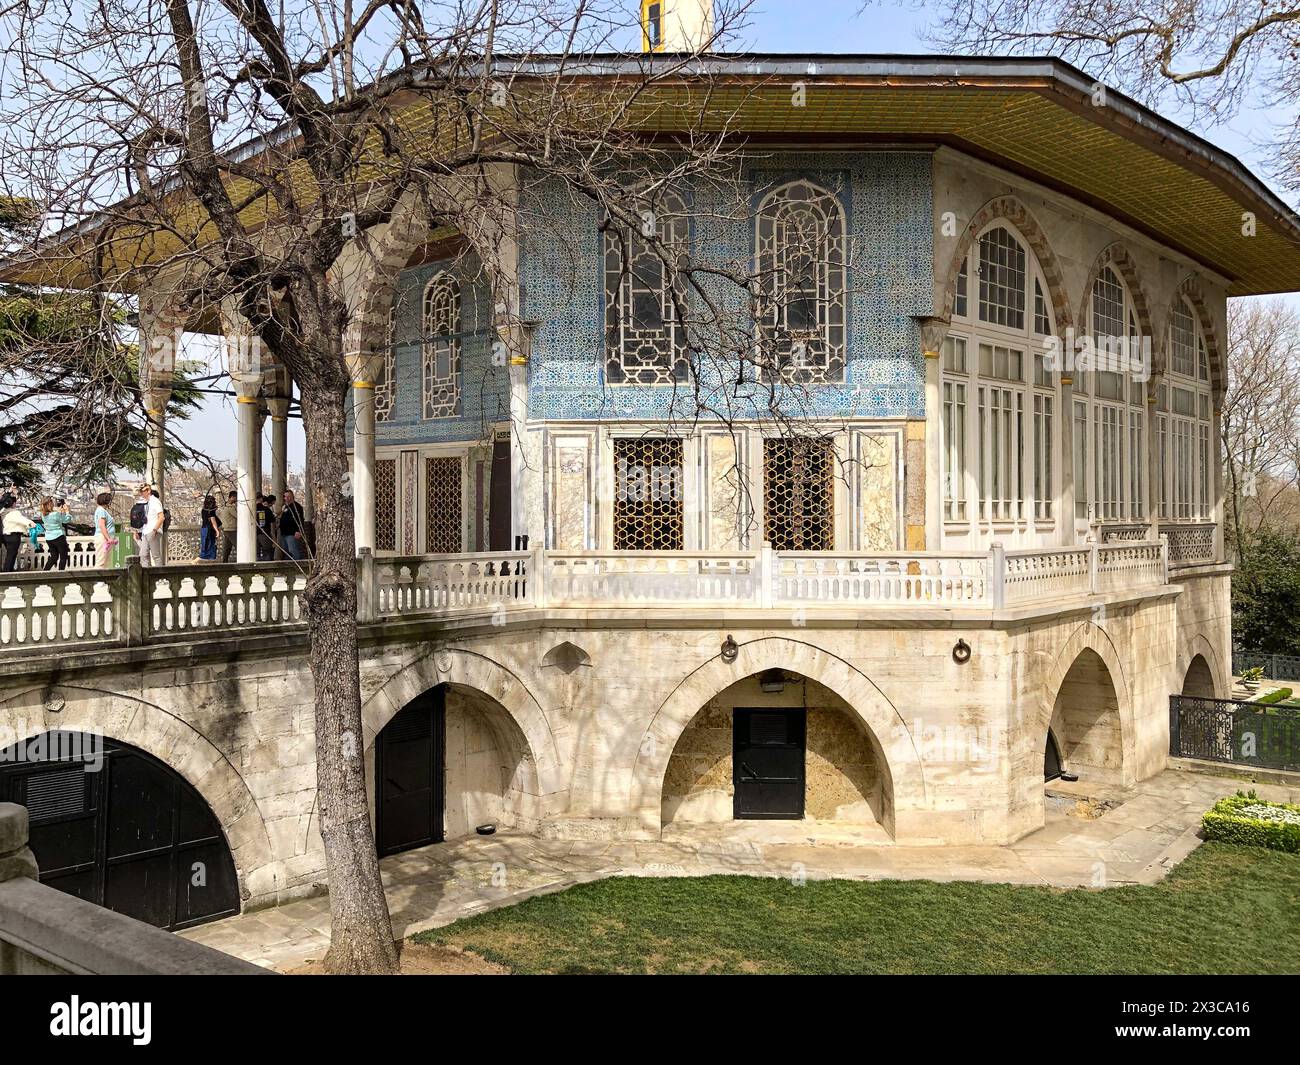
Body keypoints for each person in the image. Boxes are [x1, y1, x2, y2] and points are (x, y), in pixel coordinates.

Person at [132, 481, 165, 568]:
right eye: (140, 491)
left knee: (155, 555)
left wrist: (155, 529)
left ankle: (160, 577)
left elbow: (161, 517)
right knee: (143, 555)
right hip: (145, 531)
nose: (141, 493)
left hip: (152, 530)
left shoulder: (155, 501)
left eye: (143, 491)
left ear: (148, 490)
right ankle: (147, 575)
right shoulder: (146, 503)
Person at [0, 493, 34, 572]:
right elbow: (22, 520)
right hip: (13, 536)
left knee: (10, 554)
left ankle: (8, 571)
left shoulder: (3, 513)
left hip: (5, 536)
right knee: (11, 555)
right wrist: (31, 523)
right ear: (14, 503)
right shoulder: (14, 513)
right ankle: (7, 572)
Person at [39, 497, 72, 571]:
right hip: (58, 536)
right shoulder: (55, 514)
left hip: (49, 538)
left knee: (54, 557)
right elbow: (66, 520)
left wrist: (59, 511)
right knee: (63, 556)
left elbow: (52, 513)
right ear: (50, 504)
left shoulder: (43, 514)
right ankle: (60, 574)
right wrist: (67, 512)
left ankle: (45, 572)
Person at [279, 489, 307, 560]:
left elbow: (300, 519)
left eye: (288, 496)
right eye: (285, 497)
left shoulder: (297, 507)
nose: (286, 498)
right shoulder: (285, 507)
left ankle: (298, 566)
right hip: (284, 533)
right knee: (286, 552)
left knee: (293, 551)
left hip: (292, 533)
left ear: (292, 496)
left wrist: (298, 531)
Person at [93, 491, 118, 568]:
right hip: (103, 539)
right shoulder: (101, 511)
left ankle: (104, 579)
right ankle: (98, 579)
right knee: (101, 561)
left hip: (106, 538)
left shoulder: (103, 511)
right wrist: (108, 538)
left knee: (107, 562)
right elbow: (102, 525)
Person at [216, 490, 238, 562]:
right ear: (232, 497)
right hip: (231, 529)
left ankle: (224, 562)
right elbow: (238, 516)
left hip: (226, 529)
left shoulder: (225, 507)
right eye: (236, 497)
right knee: (238, 546)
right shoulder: (230, 507)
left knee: (227, 548)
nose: (237, 499)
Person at [257, 493, 278, 561]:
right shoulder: (266, 510)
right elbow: (272, 523)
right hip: (264, 534)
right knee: (268, 553)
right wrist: (274, 539)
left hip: (253, 535)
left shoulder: (249, 510)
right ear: (261, 499)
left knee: (256, 555)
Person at [199, 494, 220, 561]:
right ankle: (208, 558)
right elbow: (213, 521)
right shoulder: (211, 510)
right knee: (210, 545)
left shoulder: (203, 509)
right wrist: (217, 530)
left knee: (205, 544)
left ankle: (203, 557)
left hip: (204, 528)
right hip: (209, 529)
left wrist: (202, 495)